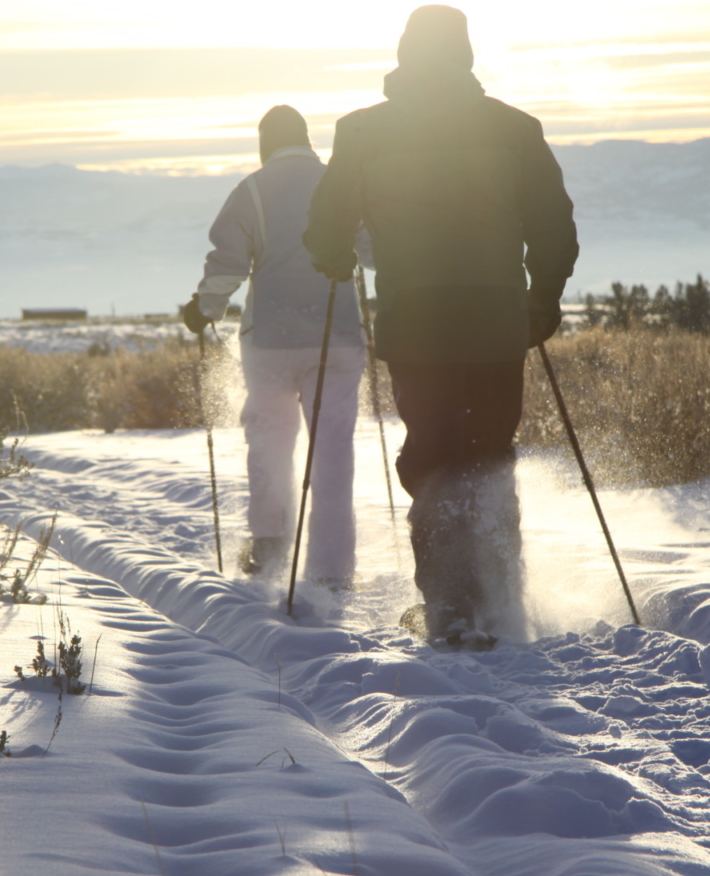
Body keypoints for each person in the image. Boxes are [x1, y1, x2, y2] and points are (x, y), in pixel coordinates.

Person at [303, 4, 578, 642]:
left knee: (431, 452)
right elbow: (553, 225)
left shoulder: (361, 132)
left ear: (404, 55)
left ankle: (450, 607)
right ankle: (503, 598)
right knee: (489, 452)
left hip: (415, 321)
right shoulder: (515, 128)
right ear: (467, 55)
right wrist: (544, 297)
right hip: (496, 319)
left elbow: (324, 227)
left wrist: (334, 257)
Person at [183, 105, 367, 588]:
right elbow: (374, 251)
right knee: (333, 454)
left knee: (268, 441)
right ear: (307, 139)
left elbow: (227, 263)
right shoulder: (342, 185)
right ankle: (331, 573)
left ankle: (267, 547)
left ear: (265, 143)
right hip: (338, 336)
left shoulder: (251, 191)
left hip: (270, 344)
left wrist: (204, 308)